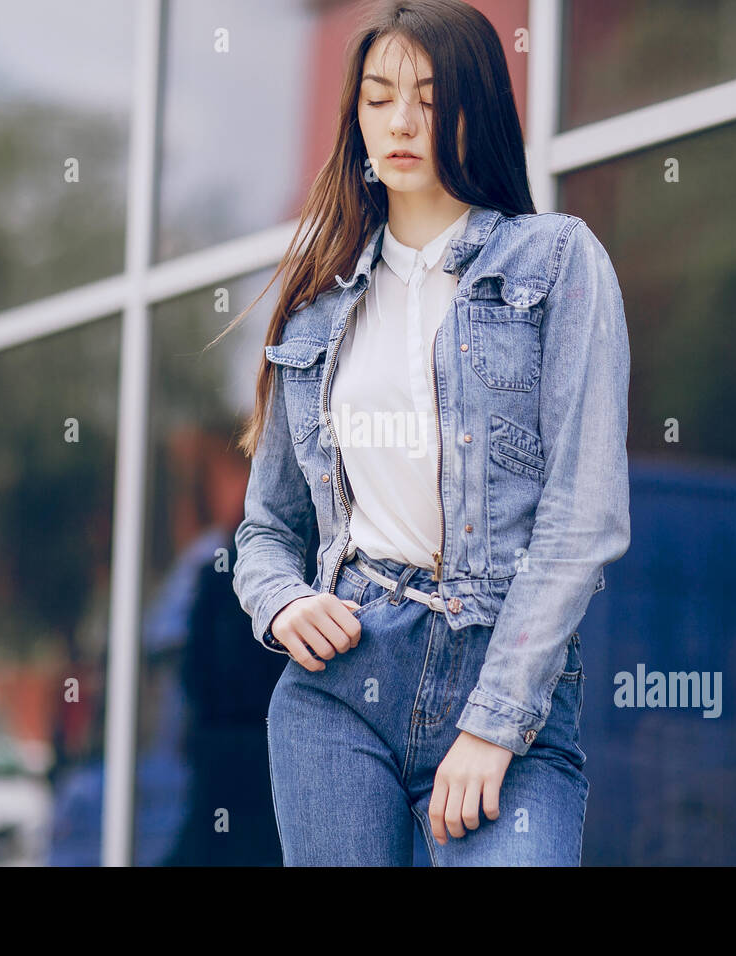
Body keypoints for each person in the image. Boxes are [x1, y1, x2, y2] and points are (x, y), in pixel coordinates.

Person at [214, 0, 630, 866]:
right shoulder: (317, 304)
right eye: (378, 97)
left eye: (430, 98)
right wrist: (282, 602)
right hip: (341, 689)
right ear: (356, 118)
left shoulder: (555, 261)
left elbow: (583, 516)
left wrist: (495, 722)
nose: (401, 122)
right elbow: (266, 529)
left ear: (476, 106)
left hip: (502, 668)